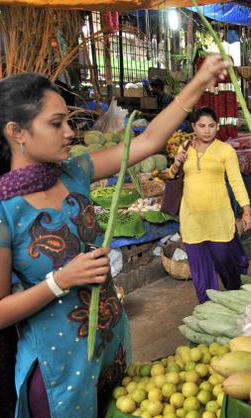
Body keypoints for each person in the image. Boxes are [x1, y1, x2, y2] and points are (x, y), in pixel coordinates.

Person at [0, 55, 228, 418]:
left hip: (111, 344)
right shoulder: (5, 210)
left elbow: (150, 140)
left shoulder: (74, 172)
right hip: (59, 364)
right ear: (17, 133)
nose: (70, 133)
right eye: (56, 123)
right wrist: (59, 282)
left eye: (69, 122)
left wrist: (200, 81)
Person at [170, 107, 251, 302]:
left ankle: (237, 298)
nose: (206, 130)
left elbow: (236, 182)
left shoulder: (225, 150)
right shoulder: (184, 147)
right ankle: (207, 308)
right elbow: (171, 176)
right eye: (201, 126)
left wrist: (246, 210)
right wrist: (176, 163)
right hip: (192, 218)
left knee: (227, 261)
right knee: (201, 272)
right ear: (193, 127)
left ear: (217, 127)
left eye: (211, 126)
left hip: (219, 218)